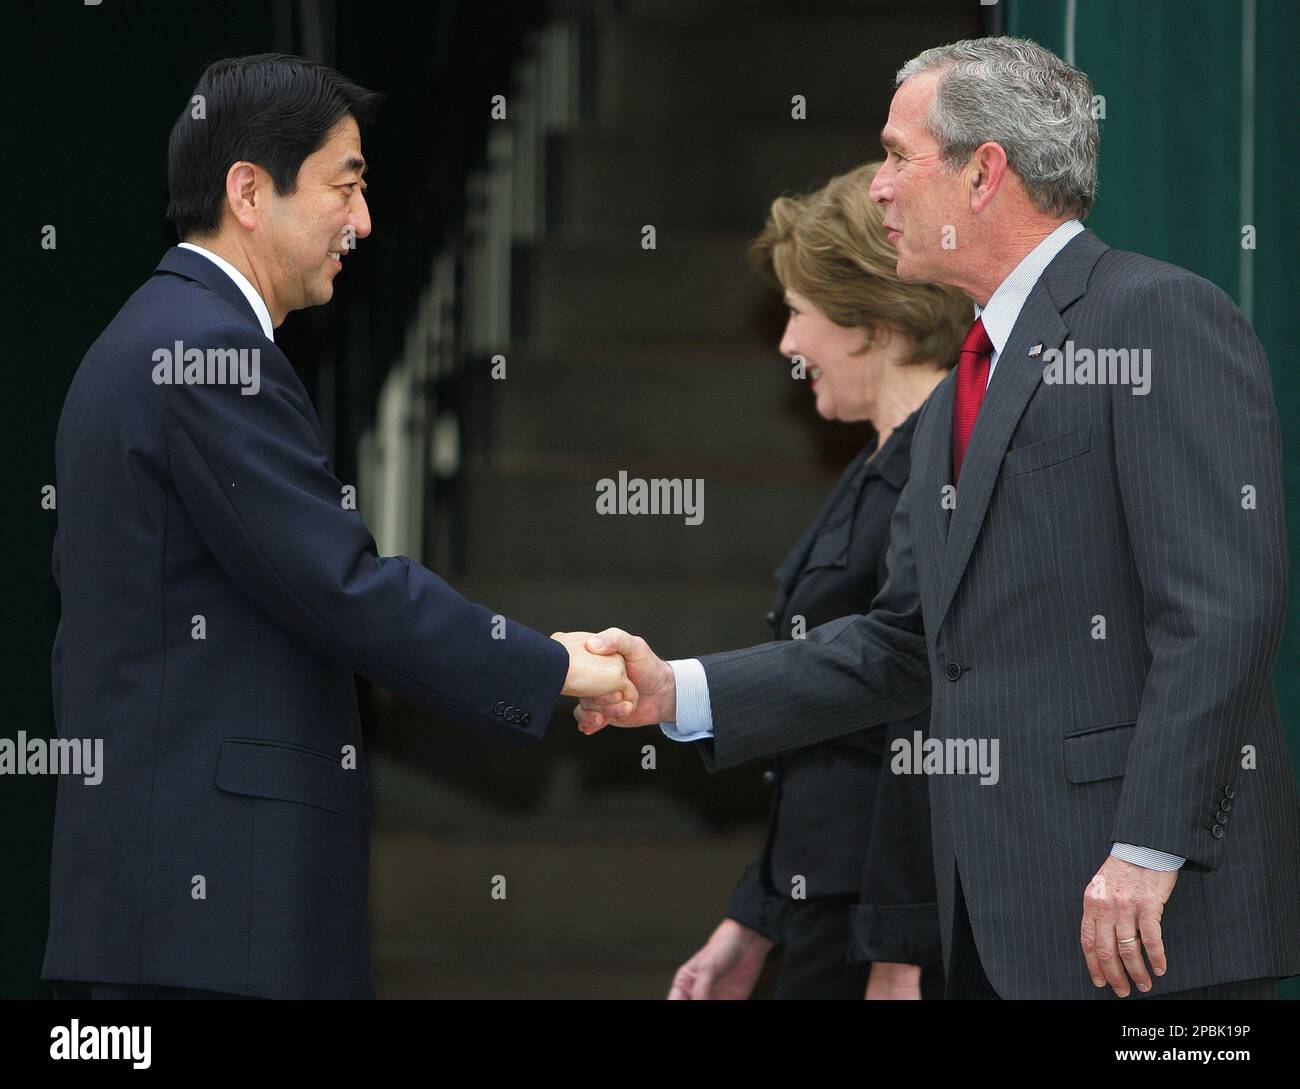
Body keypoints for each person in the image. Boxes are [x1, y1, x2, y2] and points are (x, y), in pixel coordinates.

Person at [571, 36, 1300, 1000]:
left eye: (896, 155)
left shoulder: (1158, 316)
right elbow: (906, 645)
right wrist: (680, 693)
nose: (876, 188)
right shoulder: (971, 370)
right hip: (996, 935)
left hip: (1149, 932)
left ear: (984, 171)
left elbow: (1220, 613)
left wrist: (1148, 847)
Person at [43, 53, 632, 1001]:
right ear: (248, 191)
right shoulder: (205, 351)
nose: (364, 222)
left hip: (168, 917)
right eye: (345, 186)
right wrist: (553, 666)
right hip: (214, 925)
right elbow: (341, 587)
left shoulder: (149, 335)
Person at [670, 162, 966, 1000]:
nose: (788, 345)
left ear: (874, 323)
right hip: (831, 910)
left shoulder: (941, 460)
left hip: (879, 925)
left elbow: (925, 714)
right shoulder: (876, 459)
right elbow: (828, 738)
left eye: (799, 314)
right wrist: (756, 914)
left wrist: (904, 952)